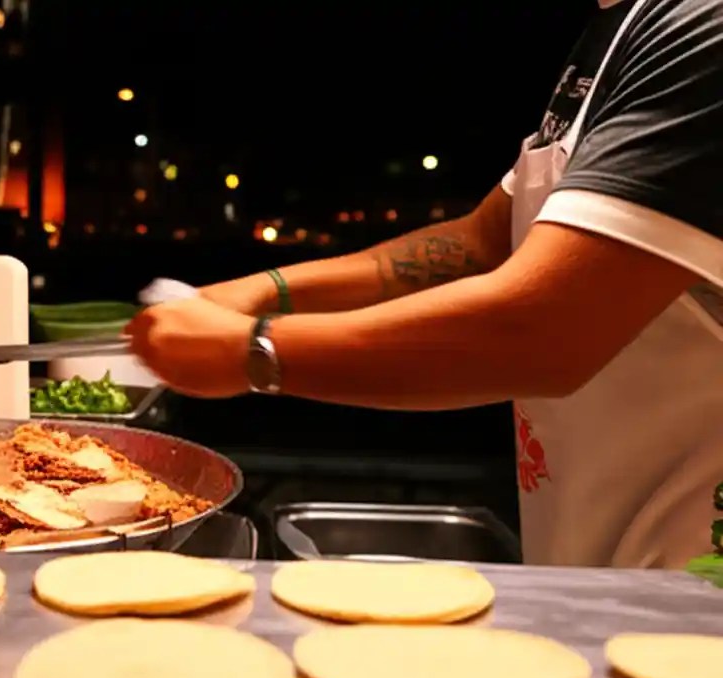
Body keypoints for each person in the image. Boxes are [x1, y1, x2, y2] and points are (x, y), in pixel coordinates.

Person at [125, 0, 723, 569]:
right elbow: (480, 245)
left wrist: (252, 350)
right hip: (605, 566)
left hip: (691, 599)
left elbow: (546, 329)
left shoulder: (703, 28)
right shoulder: (620, 31)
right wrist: (264, 289)